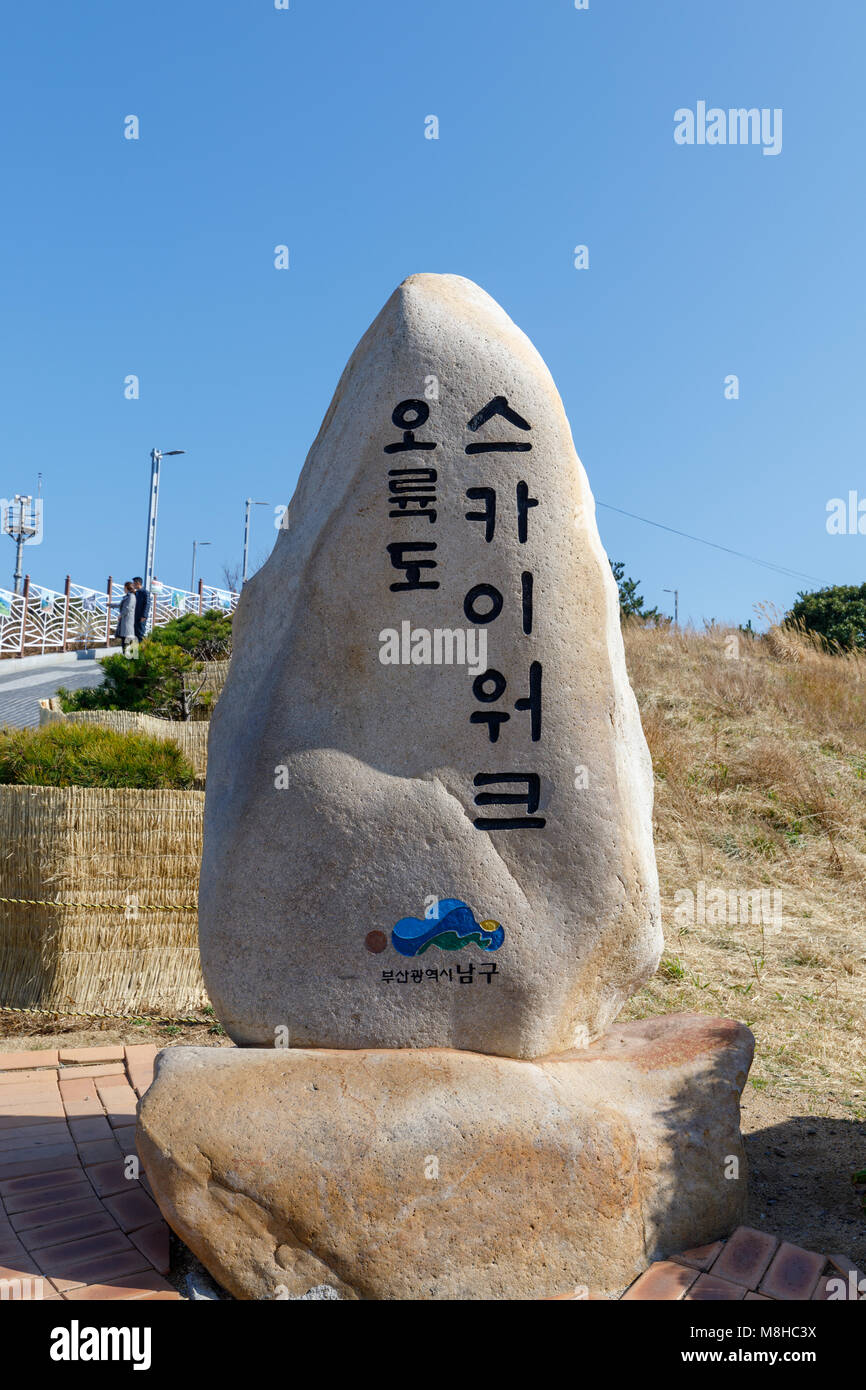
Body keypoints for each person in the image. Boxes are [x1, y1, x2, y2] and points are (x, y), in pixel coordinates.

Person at [115, 581, 138, 657]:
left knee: (128, 639)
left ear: (126, 587)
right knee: (125, 639)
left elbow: (128, 608)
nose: (123, 589)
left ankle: (131, 658)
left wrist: (121, 615)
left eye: (124, 587)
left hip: (127, 621)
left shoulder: (131, 596)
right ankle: (128, 658)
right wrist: (110, 605)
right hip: (125, 621)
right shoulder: (128, 596)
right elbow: (121, 605)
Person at [132, 576, 149, 641]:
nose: (133, 585)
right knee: (135, 634)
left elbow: (147, 604)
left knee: (140, 634)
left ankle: (142, 649)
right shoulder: (136, 593)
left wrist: (144, 616)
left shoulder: (145, 592)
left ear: (138, 583)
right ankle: (135, 650)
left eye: (134, 583)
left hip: (141, 617)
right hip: (135, 617)